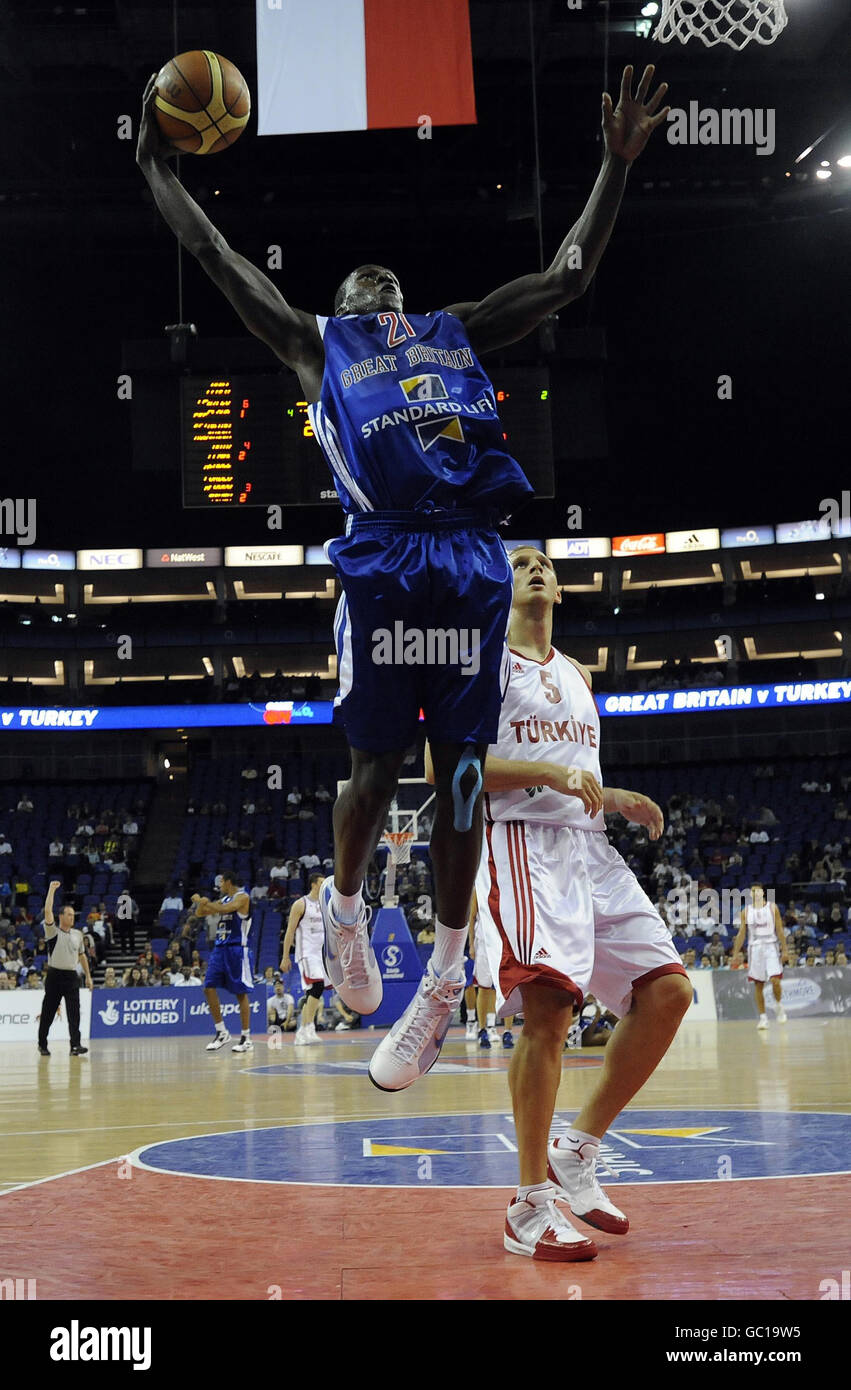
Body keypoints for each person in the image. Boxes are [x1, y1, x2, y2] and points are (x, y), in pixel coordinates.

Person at [136, 61, 671, 1090]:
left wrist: (612, 166)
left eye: (387, 283)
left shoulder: (455, 330)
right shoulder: (312, 343)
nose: (377, 286)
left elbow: (564, 275)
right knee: (375, 774)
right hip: (382, 552)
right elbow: (210, 250)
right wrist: (154, 163)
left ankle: (439, 974)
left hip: (469, 553)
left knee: (460, 773)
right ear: (339, 310)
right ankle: (342, 911)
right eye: (359, 285)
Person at [428, 546, 690, 1260]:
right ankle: (526, 1204)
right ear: (499, 588)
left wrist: (613, 797)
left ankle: (577, 1150)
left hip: (590, 849)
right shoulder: (482, 659)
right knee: (547, 1011)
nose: (535, 568)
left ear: (561, 588)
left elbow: (577, 777)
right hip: (521, 843)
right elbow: (443, 765)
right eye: (519, 563)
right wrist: (547, 771)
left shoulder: (576, 672)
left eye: (544, 562)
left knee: (666, 993)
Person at [193, 872, 254, 1053]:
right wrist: (201, 904)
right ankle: (221, 1032)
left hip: (237, 949)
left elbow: (226, 910)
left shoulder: (242, 897)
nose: (219, 885)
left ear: (228, 882)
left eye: (221, 882)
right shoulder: (225, 898)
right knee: (208, 987)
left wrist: (204, 902)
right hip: (220, 949)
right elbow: (199, 913)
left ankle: (246, 1037)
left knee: (240, 994)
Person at [38, 880, 92, 1056]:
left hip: (71, 976)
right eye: (68, 914)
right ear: (60, 916)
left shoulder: (78, 934)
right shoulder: (52, 932)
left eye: (73, 915)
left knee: (74, 1013)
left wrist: (89, 976)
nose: (72, 917)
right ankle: (42, 1043)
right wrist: (52, 890)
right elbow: (47, 911)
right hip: (54, 976)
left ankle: (75, 1045)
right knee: (48, 1012)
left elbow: (82, 955)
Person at [731, 884, 788, 1030]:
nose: (756, 893)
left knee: (775, 980)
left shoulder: (772, 907)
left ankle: (778, 1005)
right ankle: (763, 1018)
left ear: (763, 893)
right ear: (751, 894)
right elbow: (742, 933)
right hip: (755, 948)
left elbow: (780, 930)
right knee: (759, 984)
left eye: (758, 891)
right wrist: (736, 953)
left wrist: (785, 950)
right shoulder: (746, 911)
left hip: (771, 946)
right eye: (753, 891)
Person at [279, 874, 328, 1047]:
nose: (324, 885)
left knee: (314, 992)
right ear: (313, 884)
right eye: (322, 883)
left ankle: (306, 1029)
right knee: (317, 986)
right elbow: (290, 931)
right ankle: (306, 1028)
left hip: (321, 954)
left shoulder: (325, 904)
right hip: (307, 953)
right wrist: (285, 956)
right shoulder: (301, 904)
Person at [467, 888, 513, 1049]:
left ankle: (507, 1032)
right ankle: (482, 1029)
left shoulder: (506, 882)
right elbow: (472, 918)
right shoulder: (478, 887)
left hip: (504, 942)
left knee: (508, 989)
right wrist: (471, 944)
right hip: (484, 943)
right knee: (484, 988)